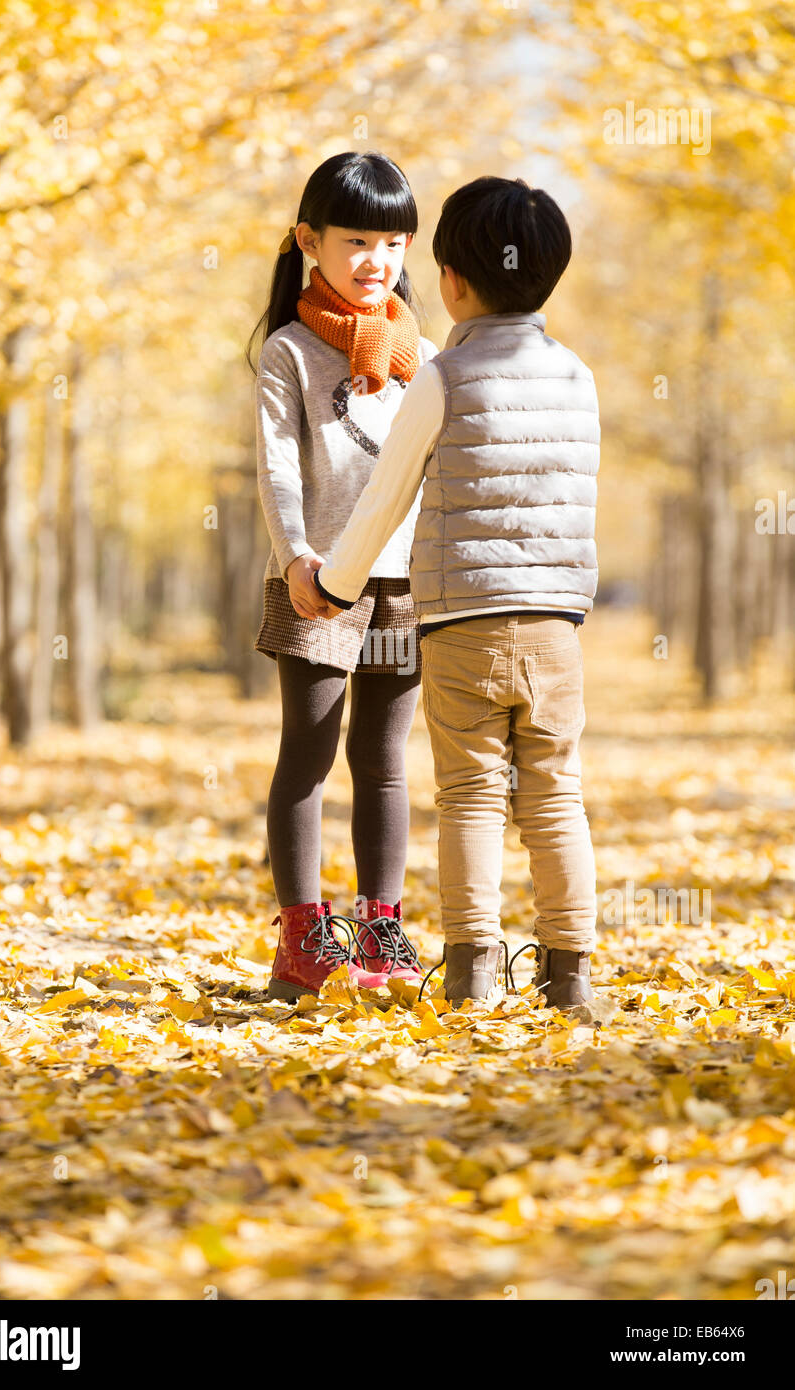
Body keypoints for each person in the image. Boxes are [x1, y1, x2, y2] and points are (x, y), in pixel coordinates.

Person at [314, 176, 599, 1012]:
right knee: (555, 792)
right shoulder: (579, 377)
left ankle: (472, 970)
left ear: (450, 281)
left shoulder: (442, 377)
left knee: (471, 792)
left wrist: (335, 585)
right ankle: (569, 973)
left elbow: (385, 499)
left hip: (461, 620)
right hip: (555, 623)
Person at [247, 151, 439, 1002]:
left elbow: (437, 468)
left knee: (386, 760)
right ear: (308, 241)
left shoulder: (422, 353)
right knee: (310, 754)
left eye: (394, 242)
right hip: (316, 578)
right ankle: (302, 936)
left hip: (401, 581)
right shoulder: (288, 352)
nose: (377, 260)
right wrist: (295, 555)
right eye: (357, 239)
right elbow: (277, 466)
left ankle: (381, 926)